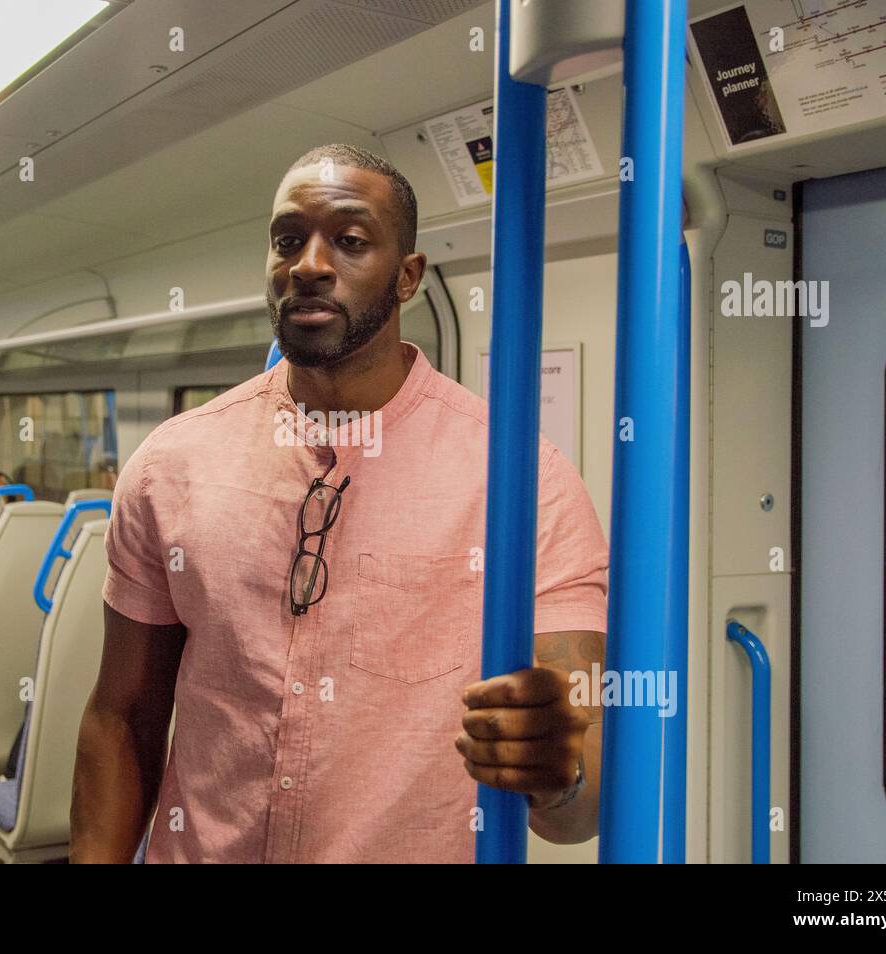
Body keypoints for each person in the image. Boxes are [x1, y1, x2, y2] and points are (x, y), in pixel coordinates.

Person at [71, 144, 608, 863]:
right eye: (288, 240)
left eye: (350, 241)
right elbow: (123, 717)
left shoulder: (520, 482)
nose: (309, 264)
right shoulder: (170, 467)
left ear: (408, 276)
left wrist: (560, 775)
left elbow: (582, 797)